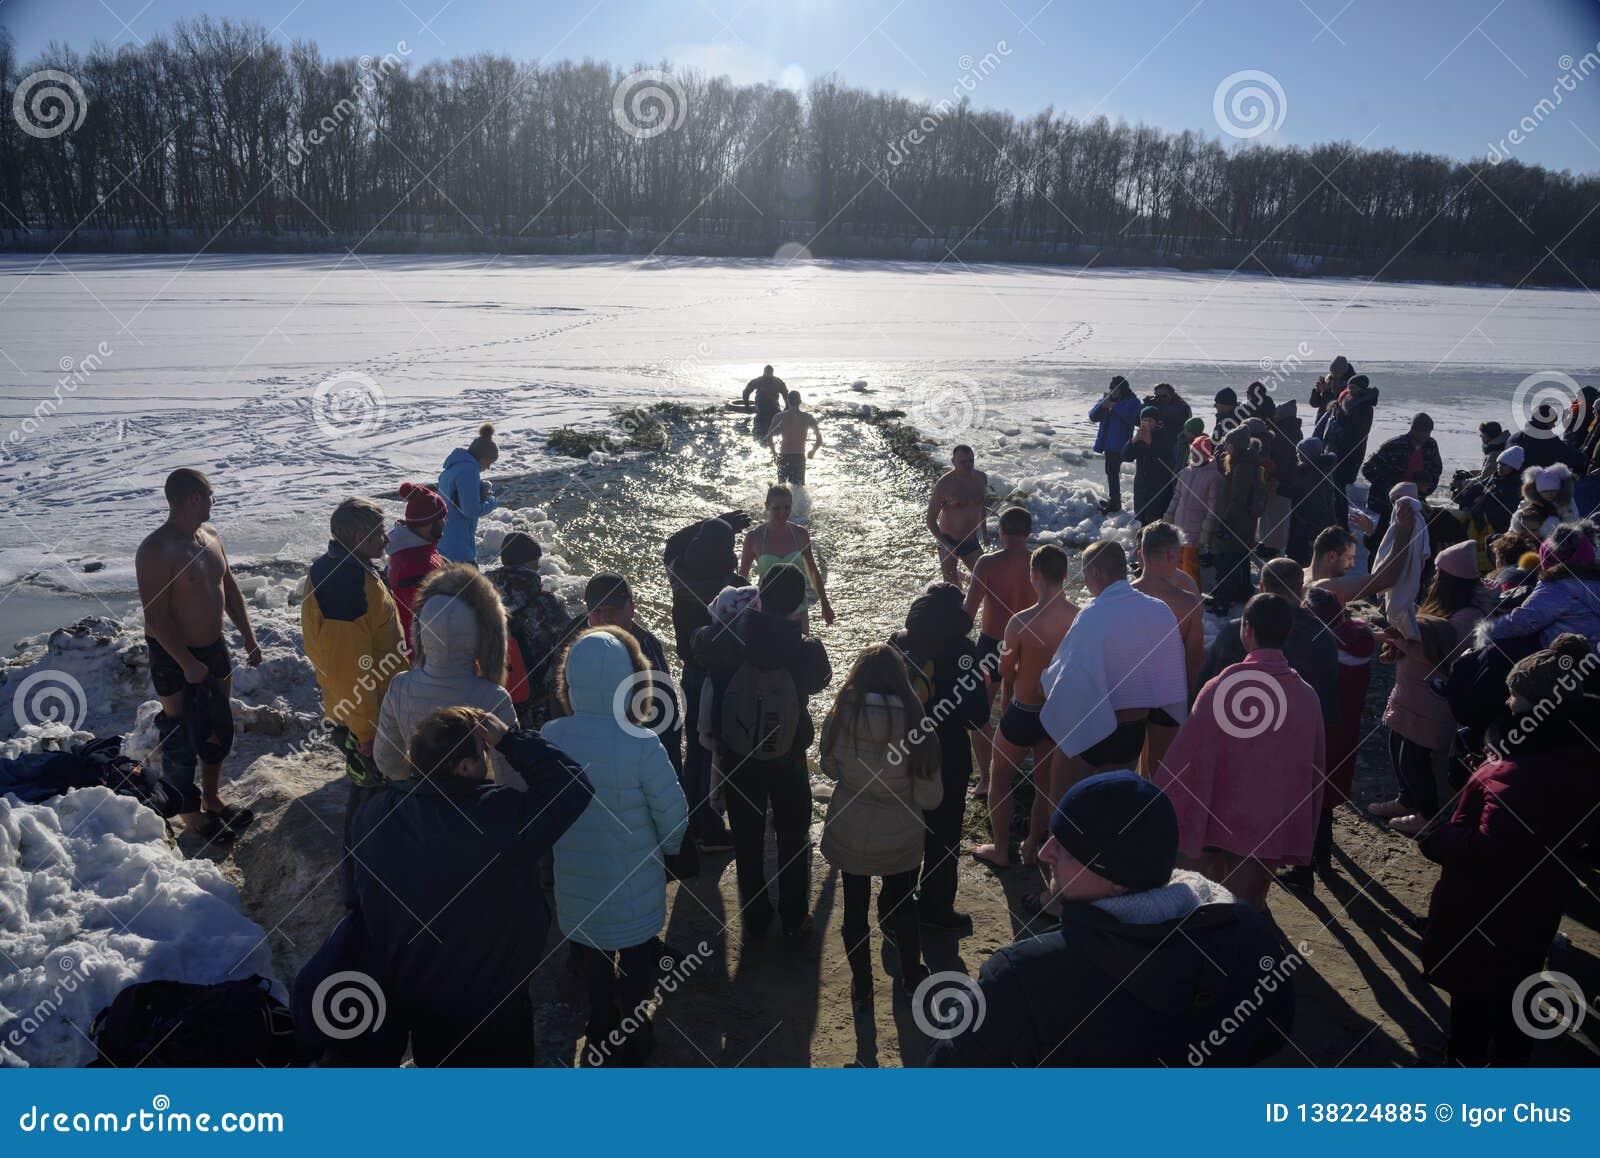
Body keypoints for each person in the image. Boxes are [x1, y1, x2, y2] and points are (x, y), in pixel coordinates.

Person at [927, 772, 1292, 1067]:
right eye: (1054, 833)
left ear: (1118, 877)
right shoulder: (1247, 932)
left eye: (1067, 847)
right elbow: (1273, 1033)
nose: (1045, 852)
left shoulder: (1021, 976)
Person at [351, 707, 593, 1066]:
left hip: (421, 996)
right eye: (483, 754)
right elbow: (573, 786)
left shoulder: (376, 812)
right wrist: (510, 739)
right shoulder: (499, 814)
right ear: (464, 768)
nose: (488, 761)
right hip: (496, 1001)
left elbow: (357, 895)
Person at [1419, 633, 1600, 1066]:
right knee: (1517, 1004)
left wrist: (1433, 836)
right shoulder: (1582, 758)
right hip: (1541, 902)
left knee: (1472, 1015)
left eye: (1515, 696)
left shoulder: (1517, 774)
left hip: (1486, 913)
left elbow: (1492, 848)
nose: (1507, 705)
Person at [545, 627, 689, 1066]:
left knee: (593, 962)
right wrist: (670, 849)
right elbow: (674, 816)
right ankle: (636, 1031)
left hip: (577, 885)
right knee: (637, 964)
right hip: (634, 883)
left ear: (570, 682)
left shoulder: (551, 736)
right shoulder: (642, 743)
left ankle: (602, 1023)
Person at [1039, 539, 1188, 912]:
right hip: (1132, 731)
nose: (1085, 583)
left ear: (1096, 573)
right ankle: (1101, 890)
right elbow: (1170, 674)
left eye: (1086, 575)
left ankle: (1057, 898)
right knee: (1109, 815)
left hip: (1093, 729)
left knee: (1065, 812)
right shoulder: (1159, 610)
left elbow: (1067, 675)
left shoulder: (1093, 613)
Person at [1158, 593, 1325, 910]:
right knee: (1251, 902)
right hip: (1272, 819)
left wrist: (1159, 804)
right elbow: (1312, 768)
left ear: (1246, 630)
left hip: (1220, 820)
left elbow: (1184, 759)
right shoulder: (1306, 696)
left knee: (1218, 905)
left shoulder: (1221, 688)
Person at [692, 563, 831, 938]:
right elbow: (821, 681)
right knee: (792, 836)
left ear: (760, 596)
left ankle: (755, 918)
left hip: (739, 756)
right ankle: (793, 917)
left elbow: (697, 645)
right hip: (788, 755)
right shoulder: (806, 649)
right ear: (798, 604)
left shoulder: (728, 639)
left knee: (748, 838)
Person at [135, 468, 261, 839]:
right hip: (173, 654)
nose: (213, 500)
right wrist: (187, 663)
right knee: (180, 734)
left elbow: (230, 588)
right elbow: (155, 617)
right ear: (193, 498)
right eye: (209, 494)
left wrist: (248, 637)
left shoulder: (211, 537)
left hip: (213, 647)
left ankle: (212, 797)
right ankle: (190, 815)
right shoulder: (157, 549)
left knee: (216, 726)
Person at [819, 644, 944, 1005]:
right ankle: (911, 973)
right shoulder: (918, 722)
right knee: (904, 905)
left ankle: (861, 985)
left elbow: (828, 768)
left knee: (854, 908)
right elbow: (930, 798)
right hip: (900, 831)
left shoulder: (841, 714)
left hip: (851, 826)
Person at [301, 498, 409, 905]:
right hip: (367, 715)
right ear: (360, 537)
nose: (386, 537)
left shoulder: (344, 569)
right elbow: (350, 668)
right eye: (379, 532)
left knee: (370, 794)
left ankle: (369, 876)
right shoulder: (345, 586)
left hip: (371, 708)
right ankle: (362, 886)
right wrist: (367, 732)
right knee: (369, 797)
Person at [1368, 541, 1490, 836]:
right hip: (1409, 694)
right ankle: (1406, 799)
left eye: (1438, 574)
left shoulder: (1468, 616)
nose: (1433, 579)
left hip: (1432, 699)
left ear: (1450, 581)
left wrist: (1396, 639)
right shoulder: (1446, 606)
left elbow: (1439, 651)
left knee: (1414, 759)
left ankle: (1428, 814)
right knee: (1397, 746)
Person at [890, 582, 990, 930]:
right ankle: (936, 906)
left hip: (902, 747)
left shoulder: (898, 643)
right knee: (944, 831)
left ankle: (896, 904)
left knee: (902, 825)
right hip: (948, 751)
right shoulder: (965, 651)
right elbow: (977, 715)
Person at [971, 545, 1077, 871]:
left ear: (1034, 576)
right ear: (1066, 576)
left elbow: (1004, 670)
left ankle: (1002, 849)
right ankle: (1033, 845)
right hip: (1055, 712)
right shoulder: (1079, 618)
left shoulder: (1020, 622)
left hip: (1023, 710)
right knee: (1044, 785)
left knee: (1000, 777)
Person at [373, 564, 521, 785]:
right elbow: (512, 775)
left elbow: (387, 760)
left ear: (421, 632)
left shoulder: (400, 686)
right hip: (474, 805)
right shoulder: (494, 696)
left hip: (420, 802)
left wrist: (417, 783)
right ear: (482, 635)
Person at [664, 511, 752, 852]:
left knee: (697, 748)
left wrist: (715, 522)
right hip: (723, 676)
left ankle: (693, 819)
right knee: (718, 750)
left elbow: (673, 542)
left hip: (691, 672)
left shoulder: (678, 576)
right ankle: (711, 826)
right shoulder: (735, 586)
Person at [1278, 585, 1376, 893]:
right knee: (1325, 803)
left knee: (1307, 801)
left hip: (1317, 735)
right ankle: (1322, 858)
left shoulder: (1321, 654)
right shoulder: (1359, 645)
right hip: (1344, 735)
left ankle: (1303, 869)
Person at [1196, 557, 1338, 728]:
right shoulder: (1322, 635)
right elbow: (1328, 704)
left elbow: (1205, 687)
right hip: (1295, 731)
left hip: (1239, 728)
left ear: (1262, 587)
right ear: (1300, 589)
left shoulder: (1236, 631)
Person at [962, 505, 1035, 797]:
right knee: (1020, 708)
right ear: (1028, 533)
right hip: (1029, 644)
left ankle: (988, 779)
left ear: (1000, 531)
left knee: (978, 711)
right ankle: (1019, 769)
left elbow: (968, 612)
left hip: (994, 645)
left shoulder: (987, 563)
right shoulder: (1038, 563)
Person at [1132, 523, 1205, 774]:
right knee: (1161, 766)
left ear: (1141, 553)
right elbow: (1194, 657)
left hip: (1130, 691)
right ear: (1171, 555)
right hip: (1169, 691)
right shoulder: (1188, 599)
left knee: (1128, 762)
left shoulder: (1124, 595)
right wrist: (1195, 698)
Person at [484, 532, 569, 727]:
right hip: (534, 699)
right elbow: (568, 644)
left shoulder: (479, 599)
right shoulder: (546, 604)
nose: (539, 566)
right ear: (529, 563)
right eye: (535, 561)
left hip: (489, 692)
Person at [1482, 523, 1600, 649]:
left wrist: (1485, 631)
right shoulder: (1592, 578)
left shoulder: (1557, 586)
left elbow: (1524, 621)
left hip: (1578, 655)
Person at [740, 484, 835, 627]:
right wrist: (741, 609)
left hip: (799, 609)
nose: (782, 513)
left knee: (800, 648)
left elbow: (813, 572)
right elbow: (743, 577)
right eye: (776, 508)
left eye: (787, 508)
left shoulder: (801, 534)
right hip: (766, 610)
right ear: (766, 506)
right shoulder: (754, 537)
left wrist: (825, 603)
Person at [1201, 428, 1267, 615]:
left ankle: (1223, 600)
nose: (1225, 446)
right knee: (1239, 556)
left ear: (1236, 445)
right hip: (1242, 522)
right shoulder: (1245, 462)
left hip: (1235, 521)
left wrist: (1225, 523)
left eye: (1228, 443)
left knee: (1226, 557)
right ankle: (1241, 591)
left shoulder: (1242, 467)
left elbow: (1238, 499)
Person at [1361, 412, 1442, 552]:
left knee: (1416, 537)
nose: (1427, 435)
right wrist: (1391, 489)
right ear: (1414, 430)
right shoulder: (1394, 445)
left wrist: (1427, 488)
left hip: (1416, 498)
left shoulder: (1431, 445)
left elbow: (1436, 469)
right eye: (1424, 432)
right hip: (1388, 500)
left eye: (1429, 432)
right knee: (1382, 540)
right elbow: (1367, 468)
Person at [385, 482, 448, 652]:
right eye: (441, 518)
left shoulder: (413, 549)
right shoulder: (416, 566)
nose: (445, 522)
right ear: (427, 523)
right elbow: (434, 621)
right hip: (427, 654)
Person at [926, 445, 990, 585]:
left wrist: (984, 533)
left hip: (971, 540)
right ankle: (957, 577)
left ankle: (964, 576)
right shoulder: (944, 485)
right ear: (953, 462)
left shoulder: (981, 478)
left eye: (971, 461)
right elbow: (930, 520)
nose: (968, 465)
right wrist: (945, 543)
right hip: (949, 541)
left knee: (987, 581)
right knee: (953, 591)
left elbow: (981, 508)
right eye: (963, 462)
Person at [437, 424, 500, 565]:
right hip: (459, 548)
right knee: (470, 585)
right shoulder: (469, 470)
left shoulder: (451, 468)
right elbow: (471, 510)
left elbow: (455, 501)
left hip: (443, 543)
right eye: (490, 462)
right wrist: (492, 502)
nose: (489, 467)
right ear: (482, 458)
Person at [1321, 373, 1380, 522]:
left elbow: (1357, 433)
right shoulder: (1348, 401)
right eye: (1349, 387)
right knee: (1336, 486)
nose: (1349, 389)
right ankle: (1337, 518)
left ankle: (1340, 520)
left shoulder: (1363, 407)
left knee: (1338, 486)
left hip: (1350, 453)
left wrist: (1339, 427)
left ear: (1361, 388)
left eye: (1353, 387)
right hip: (1341, 450)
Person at [1164, 434, 1217, 590]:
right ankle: (1178, 590)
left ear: (1205, 455)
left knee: (1190, 562)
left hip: (1196, 527)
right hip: (1179, 525)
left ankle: (1193, 593)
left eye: (1196, 453)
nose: (1193, 456)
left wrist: (1206, 532)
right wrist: (1168, 516)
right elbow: (1176, 497)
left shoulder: (1213, 477)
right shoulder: (1185, 472)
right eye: (1192, 452)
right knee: (1177, 560)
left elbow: (1212, 507)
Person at [1281, 437, 1341, 566]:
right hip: (1307, 523)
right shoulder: (1318, 470)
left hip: (1307, 526)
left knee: (1303, 558)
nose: (1297, 455)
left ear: (1309, 455)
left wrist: (1312, 534)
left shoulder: (1312, 474)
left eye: (1300, 453)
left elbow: (1314, 504)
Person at [1088, 375, 1141, 514]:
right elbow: (1093, 417)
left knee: (1112, 472)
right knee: (1111, 472)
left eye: (1116, 388)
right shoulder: (1108, 399)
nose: (1113, 391)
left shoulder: (1132, 402)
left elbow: (1133, 419)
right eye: (1111, 388)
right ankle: (1115, 500)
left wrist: (1113, 406)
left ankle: (1115, 503)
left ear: (1123, 389)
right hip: (1108, 443)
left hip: (1121, 444)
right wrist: (1103, 405)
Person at [1507, 401, 1587, 472]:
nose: (1554, 425)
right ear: (1547, 422)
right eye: (1552, 422)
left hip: (1515, 484)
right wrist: (1568, 431)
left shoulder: (1514, 438)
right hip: (1540, 485)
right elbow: (1577, 459)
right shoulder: (1551, 442)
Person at [1509, 464, 1578, 546]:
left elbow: (1571, 522)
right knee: (1518, 515)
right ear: (1538, 491)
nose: (1550, 494)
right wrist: (1511, 534)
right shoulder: (1528, 502)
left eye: (1553, 490)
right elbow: (1515, 523)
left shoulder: (1566, 503)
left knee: (1552, 522)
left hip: (1556, 541)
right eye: (1545, 491)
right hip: (1528, 538)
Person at [765, 390, 822, 486]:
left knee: (781, 489)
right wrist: (813, 451)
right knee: (798, 489)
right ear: (800, 402)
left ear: (787, 401)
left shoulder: (779, 416)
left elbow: (768, 436)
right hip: (799, 457)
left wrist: (774, 453)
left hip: (783, 456)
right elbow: (819, 439)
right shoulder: (808, 417)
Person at [742, 364, 789, 439]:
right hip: (763, 406)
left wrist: (747, 406)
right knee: (764, 420)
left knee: (768, 420)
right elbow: (746, 392)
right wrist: (747, 406)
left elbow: (745, 392)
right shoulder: (777, 381)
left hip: (772, 407)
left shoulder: (760, 380)